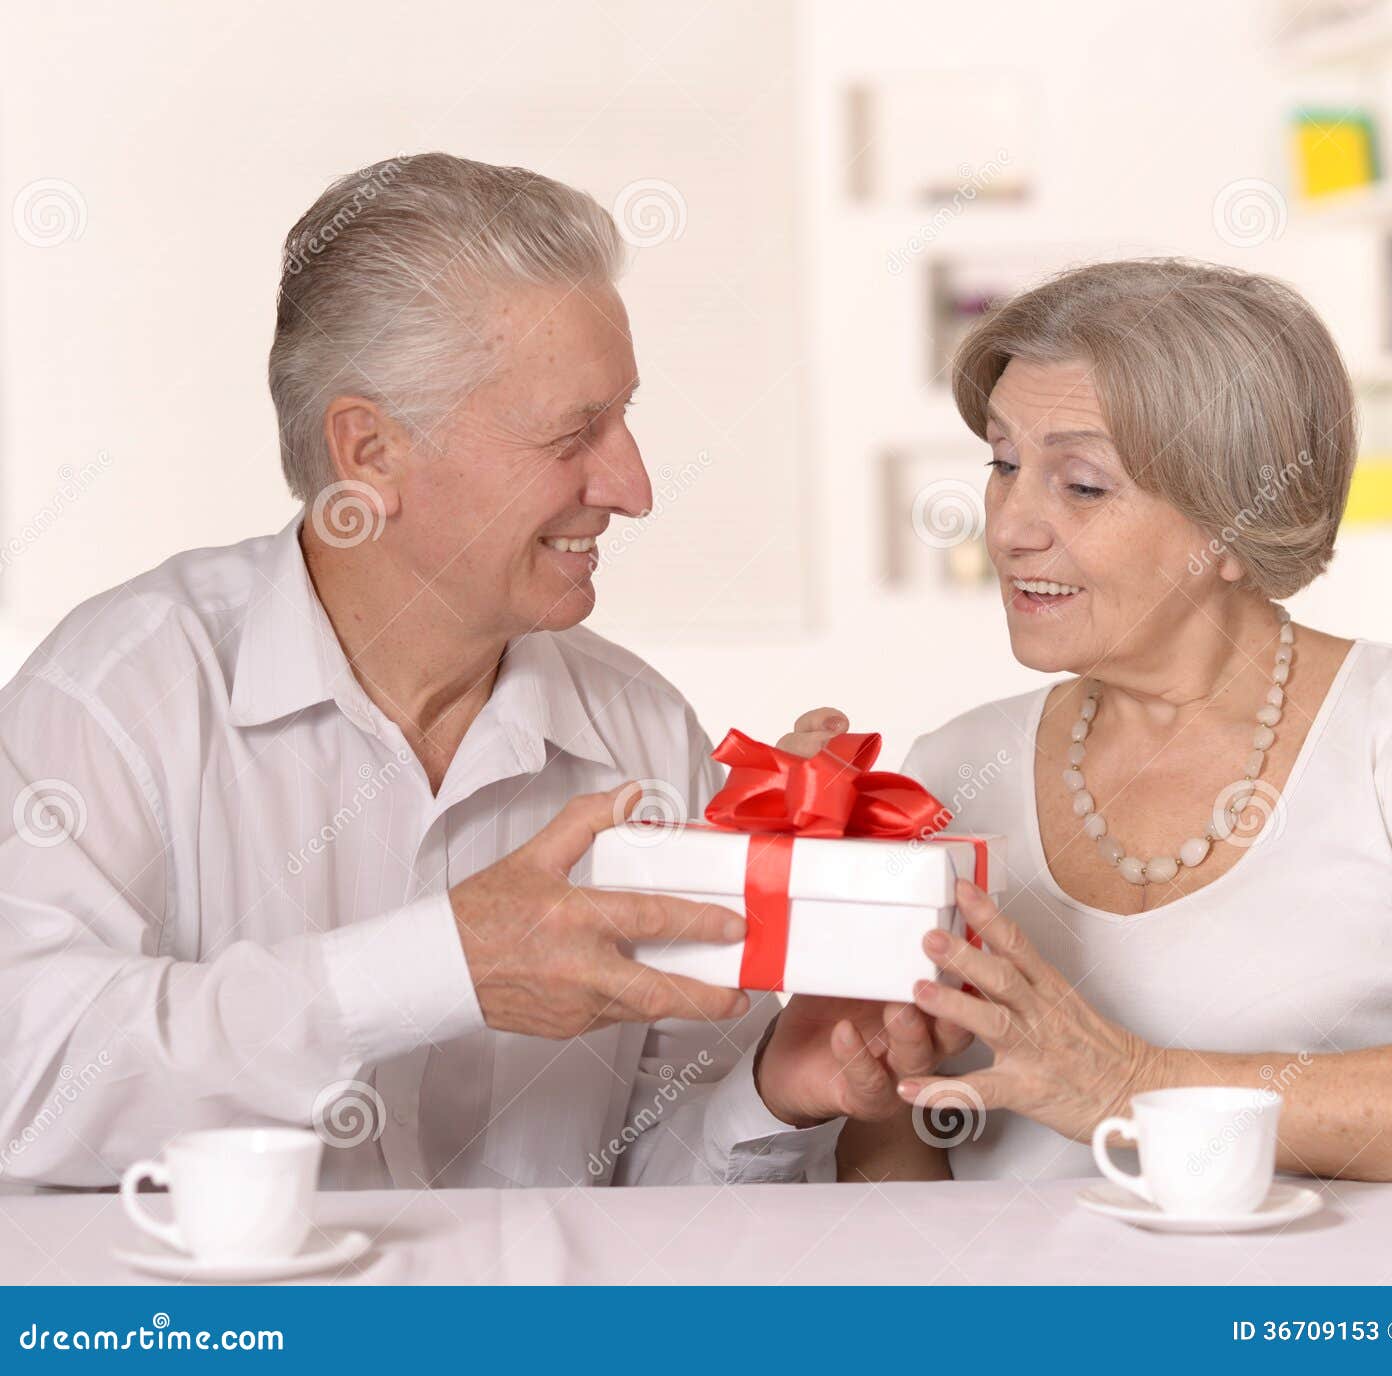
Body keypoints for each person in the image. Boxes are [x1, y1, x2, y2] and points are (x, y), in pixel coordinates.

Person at [0, 153, 933, 1192]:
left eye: (624, 417)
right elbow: (26, 1082)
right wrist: (437, 967)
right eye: (574, 432)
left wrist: (772, 1092)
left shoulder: (640, 731)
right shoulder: (120, 695)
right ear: (371, 451)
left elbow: (655, 1205)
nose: (632, 485)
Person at [846, 258, 1392, 1185]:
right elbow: (893, 1162)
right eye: (1004, 466)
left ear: (1235, 523)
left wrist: (1129, 1087)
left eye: (1081, 485)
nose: (1006, 528)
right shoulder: (950, 769)